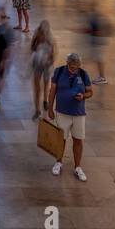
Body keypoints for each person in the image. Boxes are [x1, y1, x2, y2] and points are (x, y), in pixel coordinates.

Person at [45, 52, 92, 182]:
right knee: (61, 139)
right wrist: (50, 109)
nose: (74, 70)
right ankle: (58, 162)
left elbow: (90, 92)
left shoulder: (83, 74)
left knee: (78, 140)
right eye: (72, 67)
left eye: (76, 67)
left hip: (78, 113)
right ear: (67, 63)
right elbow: (52, 91)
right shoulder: (59, 72)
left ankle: (78, 167)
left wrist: (83, 96)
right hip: (62, 112)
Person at [29, 20, 55, 121]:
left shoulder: (50, 40)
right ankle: (37, 109)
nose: (43, 33)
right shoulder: (36, 38)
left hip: (47, 66)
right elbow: (32, 49)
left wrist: (48, 60)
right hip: (37, 65)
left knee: (46, 84)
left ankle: (45, 100)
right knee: (37, 88)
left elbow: (53, 55)